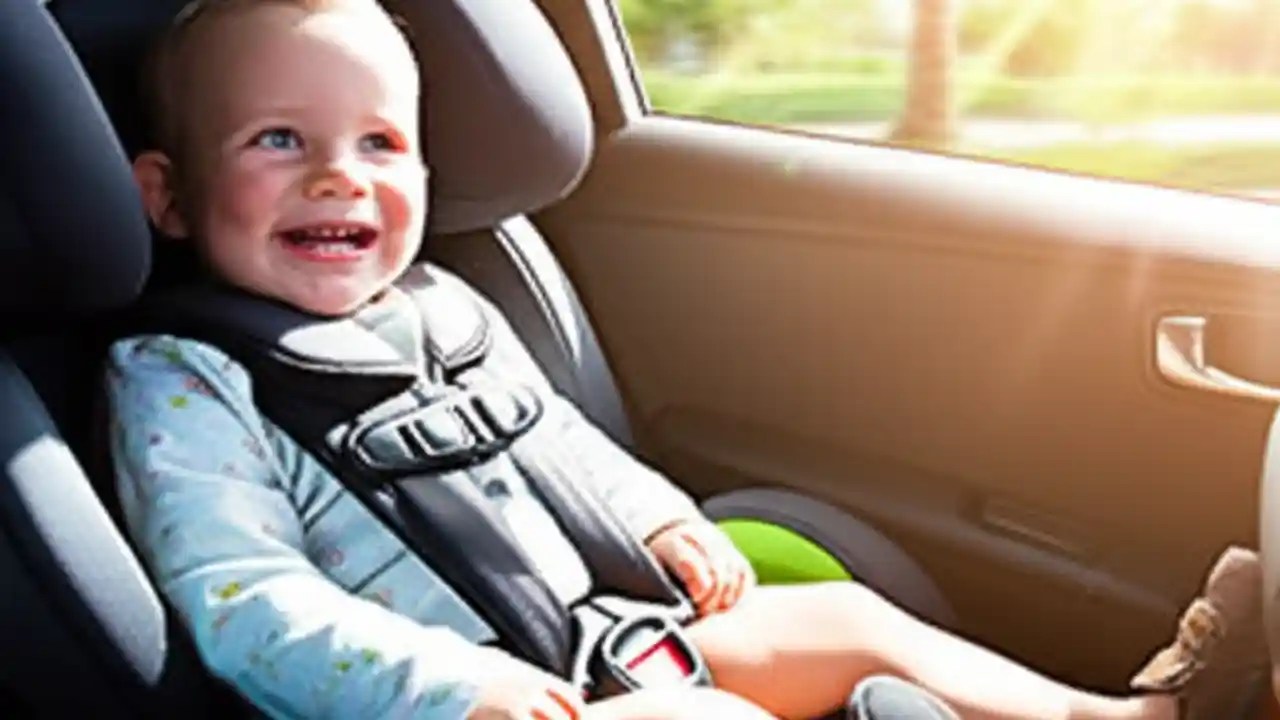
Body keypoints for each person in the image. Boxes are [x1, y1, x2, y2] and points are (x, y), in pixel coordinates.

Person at [106, 0, 1269, 718]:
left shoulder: (440, 306)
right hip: (440, 701)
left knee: (840, 622)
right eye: (278, 141)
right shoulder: (183, 376)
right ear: (167, 194)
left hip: (585, 646)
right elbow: (240, 595)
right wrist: (454, 691)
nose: (338, 176)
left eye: (379, 143)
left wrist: (657, 519)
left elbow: (556, 443)